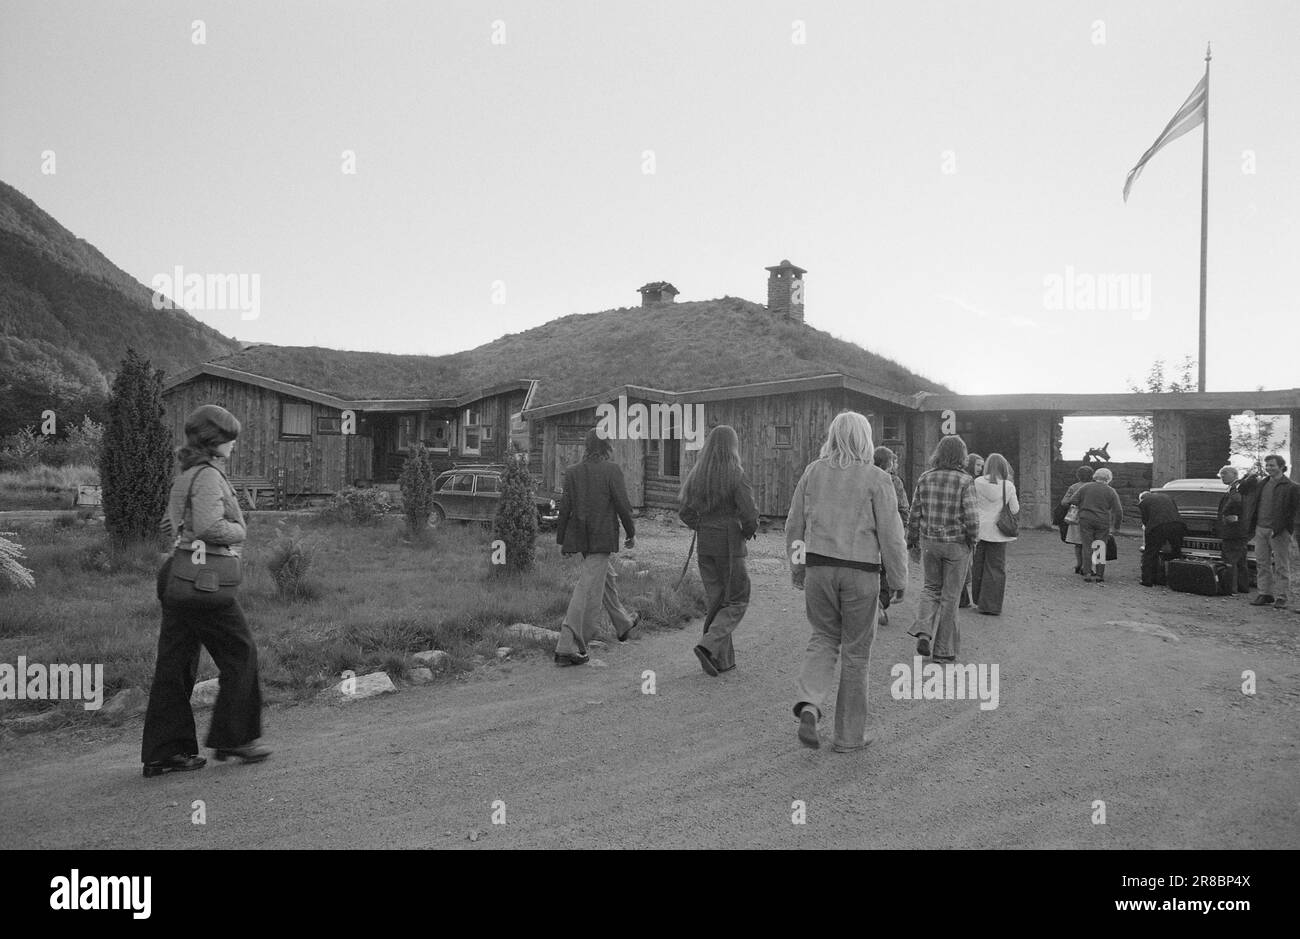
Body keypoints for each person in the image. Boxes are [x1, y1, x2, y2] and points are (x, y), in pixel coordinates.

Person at [142, 405, 270, 778]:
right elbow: (210, 526)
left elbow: (172, 525)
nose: (234, 444)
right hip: (203, 579)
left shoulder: (187, 474)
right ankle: (235, 737)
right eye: (230, 437)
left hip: (178, 574)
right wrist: (240, 531)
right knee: (240, 652)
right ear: (216, 441)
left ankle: (165, 753)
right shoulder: (210, 476)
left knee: (176, 664)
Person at [786, 412, 907, 752]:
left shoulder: (813, 472)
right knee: (856, 653)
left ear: (833, 437)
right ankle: (848, 737)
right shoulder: (878, 479)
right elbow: (892, 536)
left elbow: (794, 526)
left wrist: (798, 569)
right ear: (865, 440)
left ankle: (809, 703)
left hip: (818, 569)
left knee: (823, 638)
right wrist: (898, 580)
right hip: (860, 572)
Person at [554, 429, 639, 665]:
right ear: (607, 445)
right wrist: (630, 533)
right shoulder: (612, 470)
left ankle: (622, 624)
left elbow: (565, 509)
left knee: (606, 578)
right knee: (586, 587)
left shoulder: (572, 472)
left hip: (582, 539)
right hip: (602, 539)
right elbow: (623, 505)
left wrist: (562, 541)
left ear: (587, 446)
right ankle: (566, 646)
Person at [678, 425, 758, 675]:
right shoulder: (736, 474)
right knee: (737, 599)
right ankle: (707, 645)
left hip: (705, 543)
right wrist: (746, 530)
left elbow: (685, 512)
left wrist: (701, 525)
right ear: (732, 446)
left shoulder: (697, 473)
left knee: (717, 600)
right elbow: (749, 513)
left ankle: (720, 659)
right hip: (729, 544)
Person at [905, 435, 978, 663]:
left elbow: (914, 513)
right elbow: (972, 518)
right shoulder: (965, 481)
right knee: (950, 596)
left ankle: (924, 630)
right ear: (962, 455)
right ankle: (944, 651)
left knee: (930, 588)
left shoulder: (925, 478)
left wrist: (912, 541)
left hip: (930, 542)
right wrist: (973, 541)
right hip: (956, 543)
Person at [1244, 454, 1299, 609]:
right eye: (1267, 465)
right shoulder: (1262, 484)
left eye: (1272, 465)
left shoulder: (1292, 487)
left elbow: (1293, 511)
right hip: (1261, 528)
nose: (1269, 468)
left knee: (1281, 565)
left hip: (1279, 531)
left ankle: (1282, 596)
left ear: (1281, 466)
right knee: (1262, 563)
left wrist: (1285, 528)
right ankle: (1265, 593)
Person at [970, 453, 1019, 615]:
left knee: (979, 565)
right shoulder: (1008, 486)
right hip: (999, 530)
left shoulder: (977, 482)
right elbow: (1014, 509)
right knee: (996, 568)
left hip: (980, 528)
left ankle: (978, 599)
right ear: (1003, 467)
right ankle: (990, 605)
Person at [872, 445, 909, 626]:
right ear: (889, 463)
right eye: (894, 461)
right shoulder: (895, 482)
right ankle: (880, 603)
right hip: (889, 530)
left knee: (873, 570)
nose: (896, 464)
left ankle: (873, 602)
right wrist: (903, 528)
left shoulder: (867, 477)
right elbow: (903, 507)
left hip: (869, 532)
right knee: (886, 570)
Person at [1069, 467, 1124, 583]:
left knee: (1087, 546)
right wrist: (1116, 526)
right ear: (1108, 478)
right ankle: (1099, 575)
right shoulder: (1111, 491)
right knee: (1099, 546)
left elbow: (1073, 500)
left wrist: (1084, 504)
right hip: (1103, 521)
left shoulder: (1086, 487)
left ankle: (1087, 572)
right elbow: (1118, 510)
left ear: (1095, 476)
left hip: (1086, 519)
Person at [1215, 465, 1255, 595]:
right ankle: (1243, 587)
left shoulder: (1235, 488)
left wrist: (1227, 514)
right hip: (1241, 530)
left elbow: (1236, 501)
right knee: (1241, 560)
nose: (1222, 476)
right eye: (1221, 474)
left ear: (1234, 474)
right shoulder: (1238, 487)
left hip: (1233, 531)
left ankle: (1230, 589)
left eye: (1225, 474)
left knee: (1229, 560)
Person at [1137, 488, 1187, 588]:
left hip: (1158, 527)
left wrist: (1148, 534)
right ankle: (1176, 580)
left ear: (1142, 498)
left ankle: (1147, 580)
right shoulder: (1167, 497)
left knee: (1150, 553)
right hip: (1178, 525)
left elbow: (1146, 520)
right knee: (1176, 552)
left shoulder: (1144, 502)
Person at [958, 453, 985, 607]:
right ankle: (961, 598)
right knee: (963, 564)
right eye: (978, 465)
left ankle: (963, 597)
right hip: (965, 525)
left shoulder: (973, 480)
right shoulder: (967, 481)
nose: (980, 469)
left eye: (982, 466)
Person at [1061, 465, 1095, 573]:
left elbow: (1064, 502)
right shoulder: (1095, 486)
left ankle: (1079, 564)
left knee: (1078, 543)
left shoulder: (1073, 487)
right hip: (1092, 516)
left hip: (1076, 517)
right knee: (1091, 543)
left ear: (1078, 476)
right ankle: (1088, 566)